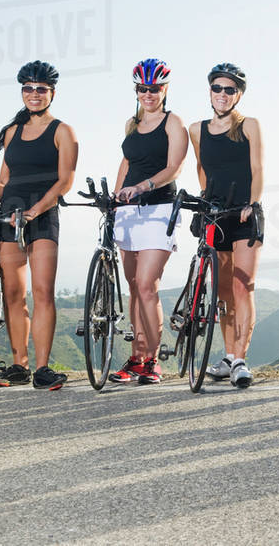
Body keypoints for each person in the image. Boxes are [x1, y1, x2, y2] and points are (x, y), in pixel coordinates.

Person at [0, 61, 79, 391]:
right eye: (28, 88)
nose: (34, 94)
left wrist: (34, 211)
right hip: (8, 213)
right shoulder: (12, 132)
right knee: (13, 294)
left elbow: (65, 181)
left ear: (52, 93)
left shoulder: (63, 131)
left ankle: (42, 369)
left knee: (42, 292)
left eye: (41, 89)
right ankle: (20, 366)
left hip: (42, 215)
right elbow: (3, 180)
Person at [109, 58, 188, 385]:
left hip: (159, 208)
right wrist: (115, 199)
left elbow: (174, 167)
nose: (148, 94)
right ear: (136, 90)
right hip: (128, 211)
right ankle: (136, 358)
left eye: (154, 88)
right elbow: (126, 163)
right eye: (143, 88)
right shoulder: (132, 123)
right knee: (132, 286)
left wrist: (143, 187)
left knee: (146, 284)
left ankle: (153, 361)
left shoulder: (173, 122)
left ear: (165, 89)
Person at [190, 63, 264, 389]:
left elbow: (257, 168)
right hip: (216, 214)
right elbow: (201, 169)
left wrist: (253, 202)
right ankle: (229, 355)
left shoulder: (249, 126)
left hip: (245, 213)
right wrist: (205, 199)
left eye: (229, 89)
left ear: (239, 95)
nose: (222, 94)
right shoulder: (196, 130)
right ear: (210, 92)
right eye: (217, 88)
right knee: (222, 292)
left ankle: (240, 360)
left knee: (242, 286)